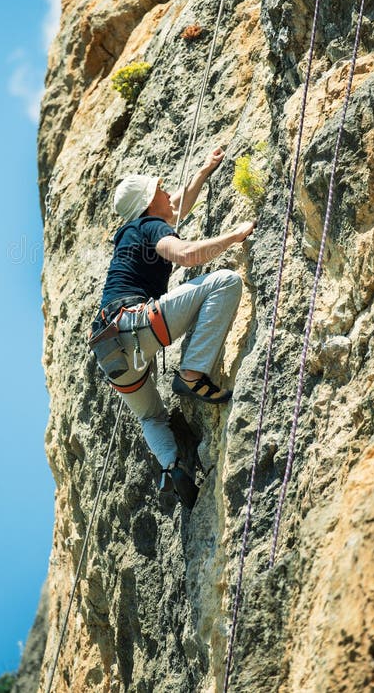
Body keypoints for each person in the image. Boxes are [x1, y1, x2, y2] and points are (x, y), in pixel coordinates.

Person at [89, 147, 255, 507]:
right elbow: (186, 254)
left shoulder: (136, 229)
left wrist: (204, 171)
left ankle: (172, 466)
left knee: (150, 415)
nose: (168, 193)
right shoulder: (150, 226)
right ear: (150, 202)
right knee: (225, 281)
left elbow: (175, 207)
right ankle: (193, 374)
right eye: (160, 189)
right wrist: (233, 236)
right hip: (134, 324)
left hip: (108, 347)